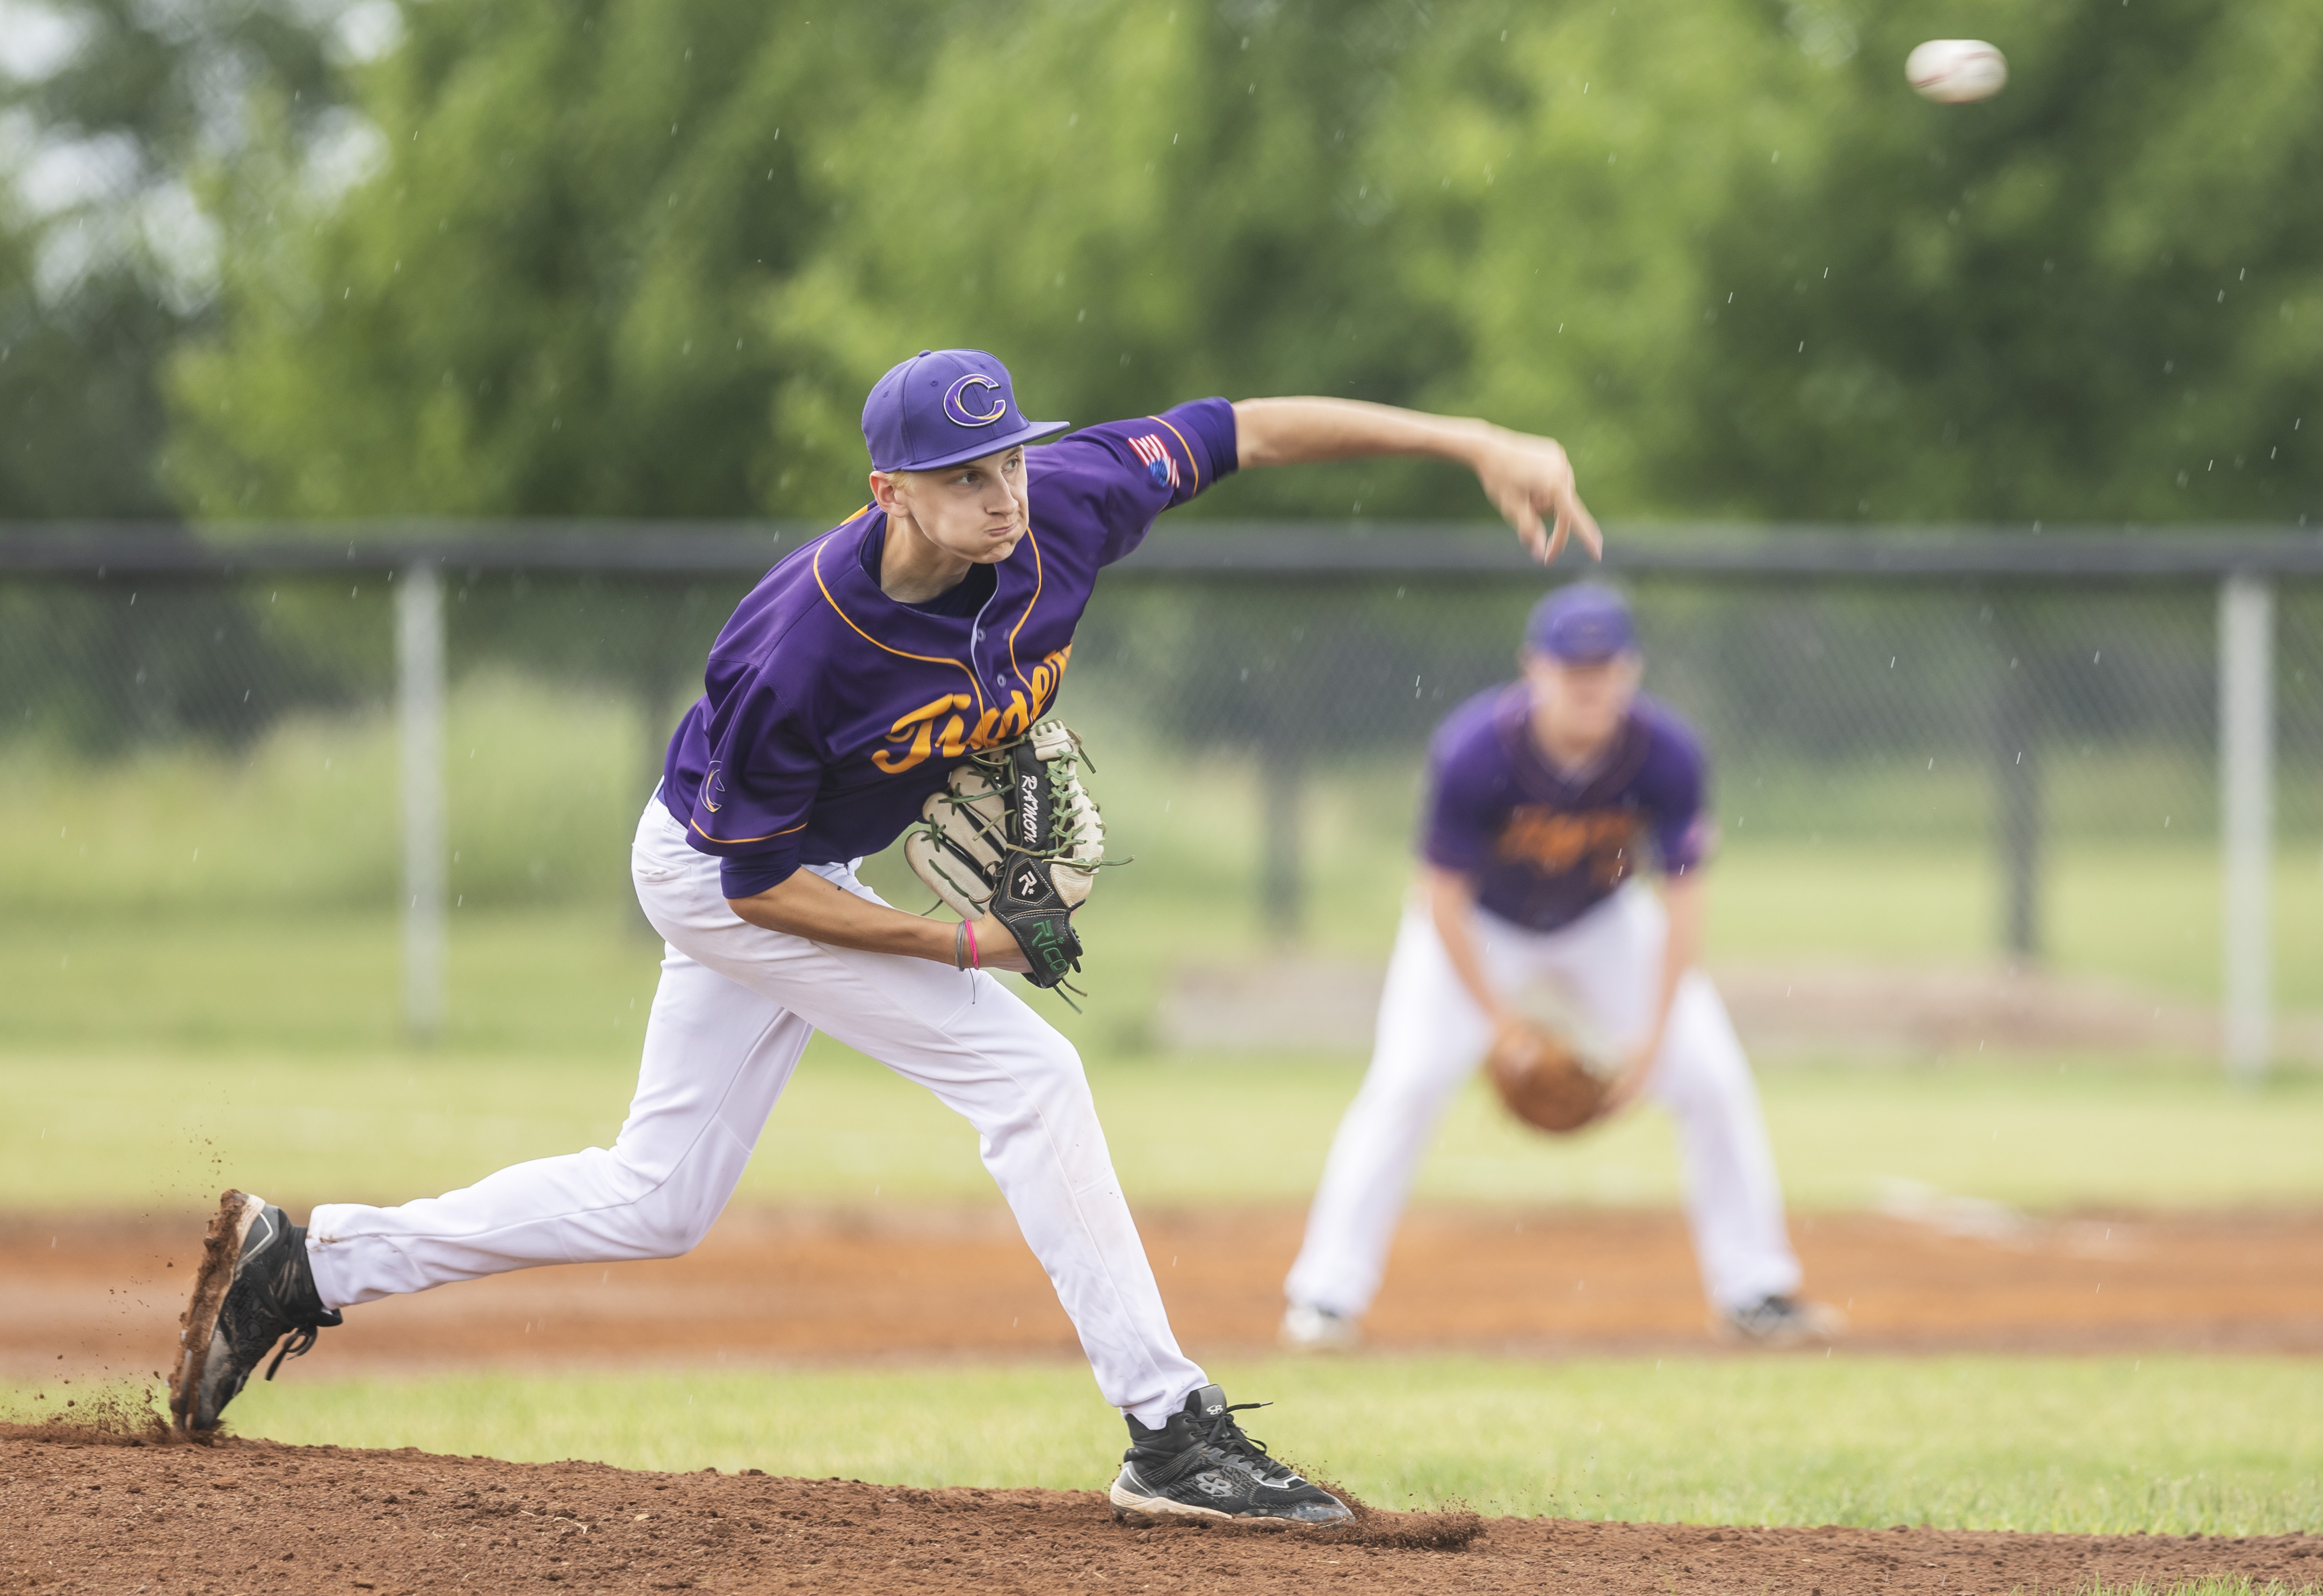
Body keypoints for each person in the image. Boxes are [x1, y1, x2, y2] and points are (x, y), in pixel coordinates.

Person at [172, 349, 1602, 1526]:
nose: (1003, 496)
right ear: (889, 493)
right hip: (731, 874)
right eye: (965, 477)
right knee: (1029, 1078)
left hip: (807, 863)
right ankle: (1174, 1434)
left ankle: (307, 1264)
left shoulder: (1073, 504)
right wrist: (953, 946)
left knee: (660, 1195)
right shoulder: (792, 644)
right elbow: (750, 889)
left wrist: (1472, 436)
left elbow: (1242, 428)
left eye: (1012, 463)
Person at [1280, 583, 1842, 1353]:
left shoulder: (1665, 752)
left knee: (1709, 1075)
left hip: (1602, 921)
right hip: (1479, 925)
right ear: (1531, 669)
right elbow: (1439, 897)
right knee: (1407, 1080)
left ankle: (1754, 1292)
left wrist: (1652, 1038)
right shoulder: (1476, 748)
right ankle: (1324, 1297)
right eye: (1570, 665)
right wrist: (1502, 1024)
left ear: (1630, 671)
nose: (1587, 681)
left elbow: (1683, 900)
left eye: (1602, 665)